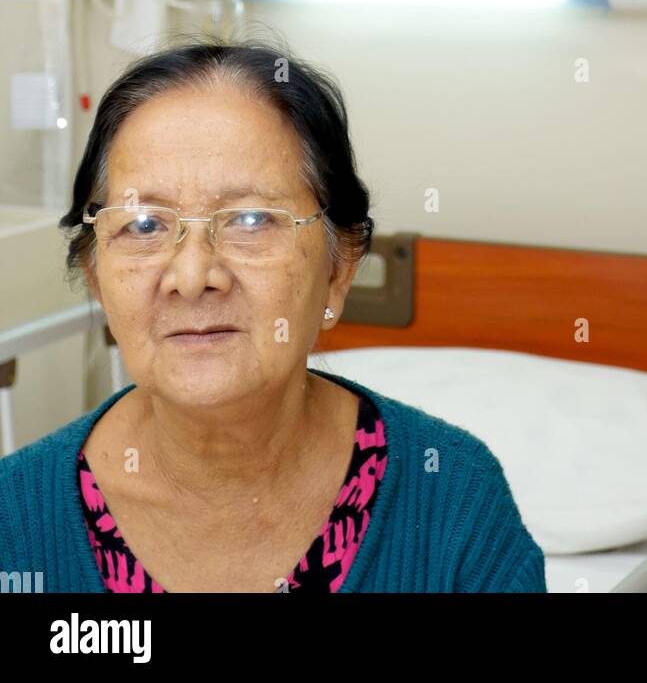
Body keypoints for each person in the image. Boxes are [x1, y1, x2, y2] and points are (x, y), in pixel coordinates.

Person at [0, 40, 546, 593]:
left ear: (340, 269)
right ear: (96, 277)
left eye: (253, 219)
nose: (192, 276)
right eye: (144, 226)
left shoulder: (454, 507)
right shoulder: (14, 526)